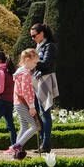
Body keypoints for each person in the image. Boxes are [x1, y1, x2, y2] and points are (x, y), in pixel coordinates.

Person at [6, 48, 40, 154]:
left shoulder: (19, 73)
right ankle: (16, 147)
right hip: (23, 103)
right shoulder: (25, 74)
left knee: (24, 126)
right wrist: (31, 106)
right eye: (34, 62)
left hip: (18, 103)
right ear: (27, 59)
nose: (35, 65)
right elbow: (26, 92)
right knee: (35, 126)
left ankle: (16, 150)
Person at [31, 24, 58, 153]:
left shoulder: (50, 46)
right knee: (37, 112)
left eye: (34, 35)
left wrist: (32, 62)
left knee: (45, 113)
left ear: (42, 33)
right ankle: (43, 141)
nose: (33, 38)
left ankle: (46, 144)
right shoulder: (39, 46)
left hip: (45, 80)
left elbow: (46, 64)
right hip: (38, 80)